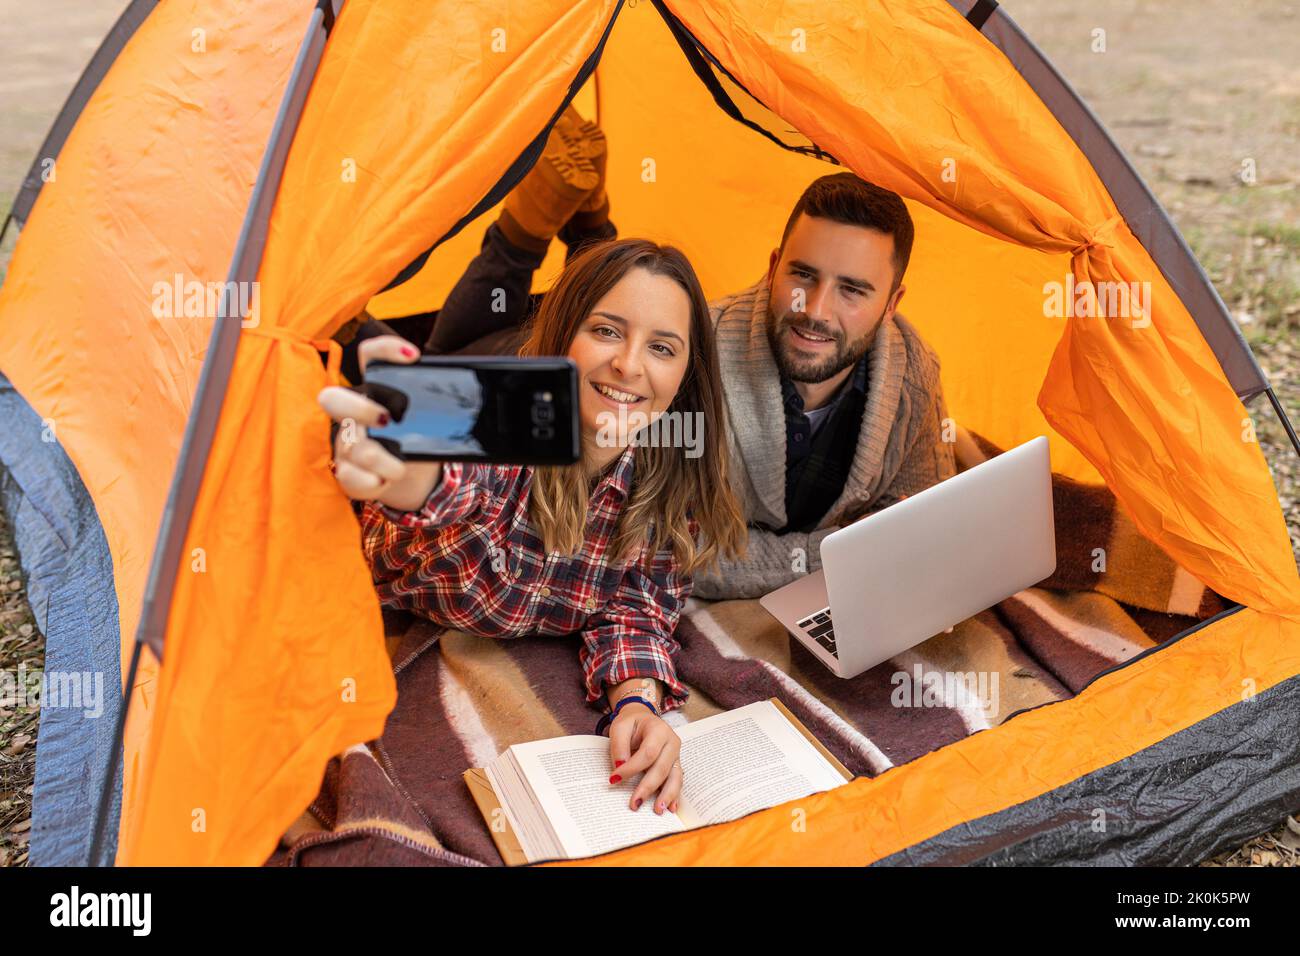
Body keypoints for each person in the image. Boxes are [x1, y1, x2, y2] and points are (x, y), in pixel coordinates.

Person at [425, 118, 956, 599]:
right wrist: (839, 555)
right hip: (542, 364)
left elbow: (918, 530)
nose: (813, 310)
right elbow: (664, 548)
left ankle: (591, 226)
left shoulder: (912, 372)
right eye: (802, 275)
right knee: (446, 358)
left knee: (610, 298)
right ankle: (530, 231)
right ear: (773, 267)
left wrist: (841, 556)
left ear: (892, 305)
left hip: (618, 329)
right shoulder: (685, 362)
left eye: (853, 291)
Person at [319, 237, 746, 818]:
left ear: (686, 373)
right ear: (564, 333)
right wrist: (410, 476)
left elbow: (633, 610)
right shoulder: (508, 421)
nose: (629, 364)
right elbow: (455, 481)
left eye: (662, 347)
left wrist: (637, 704)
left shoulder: (667, 479)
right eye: (607, 331)